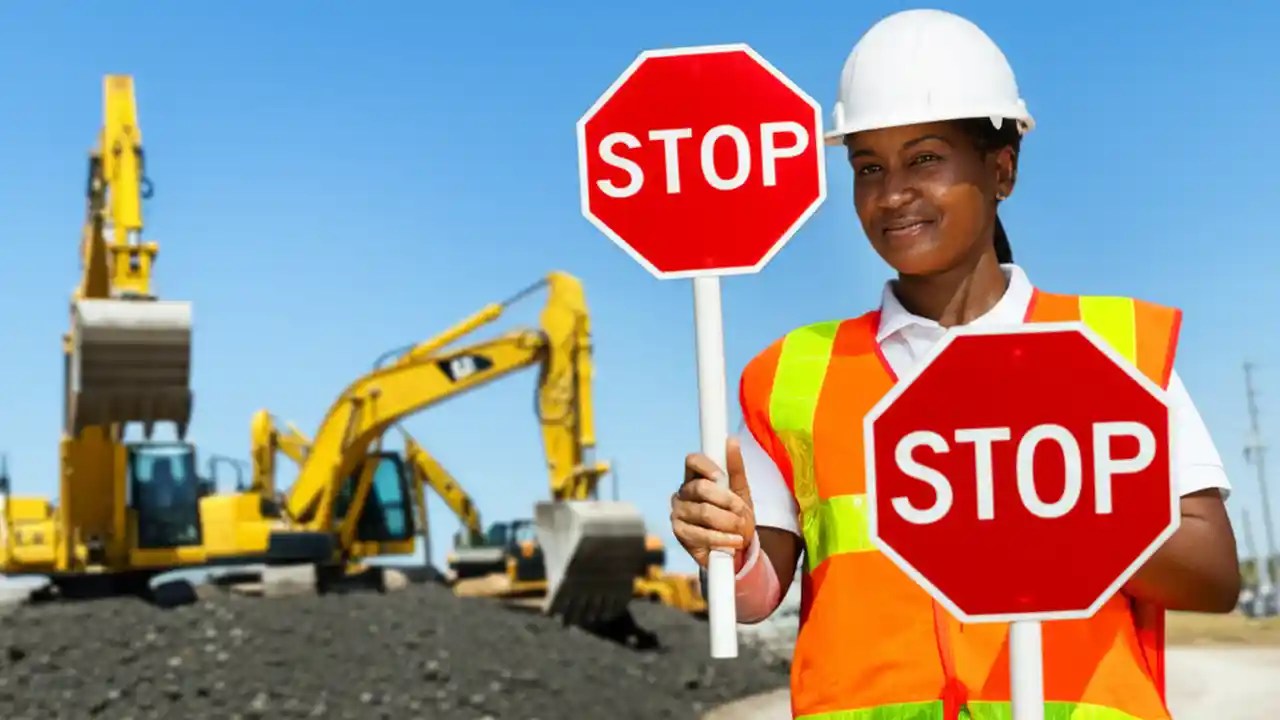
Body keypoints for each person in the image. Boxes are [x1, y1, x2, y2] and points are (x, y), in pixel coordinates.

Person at [670, 9, 1240, 720]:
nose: (892, 193)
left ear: (1002, 169)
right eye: (867, 166)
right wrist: (728, 548)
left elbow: (1213, 578)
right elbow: (756, 598)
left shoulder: (1114, 348)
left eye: (925, 158)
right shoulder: (793, 373)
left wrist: (1054, 500)